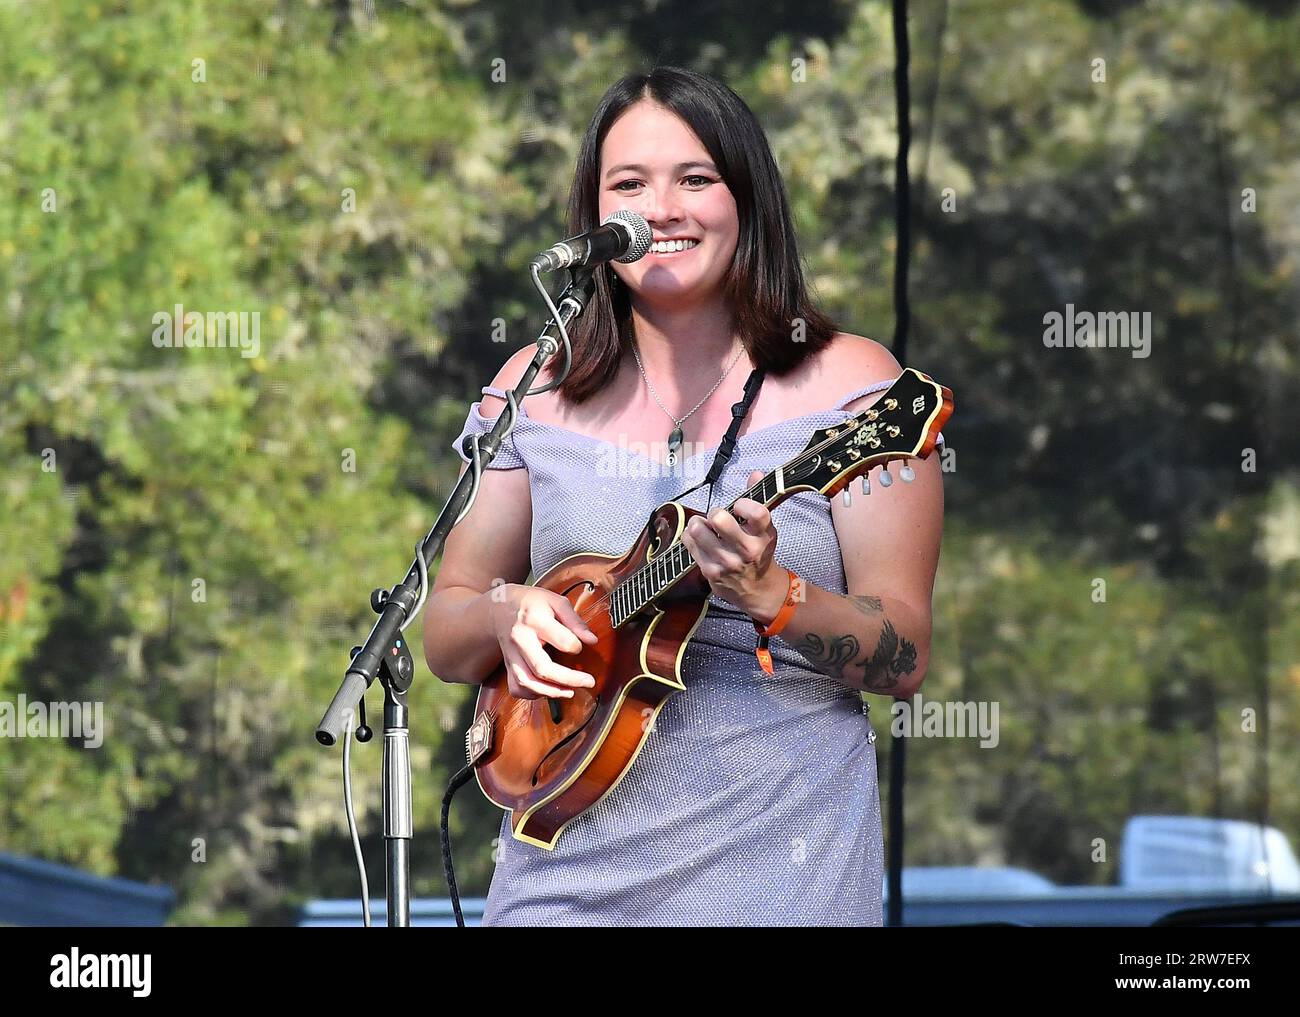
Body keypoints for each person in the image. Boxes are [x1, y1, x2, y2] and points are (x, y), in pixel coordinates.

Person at [424, 66, 944, 926]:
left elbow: (906, 657)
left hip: (782, 878)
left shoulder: (857, 386)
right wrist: (504, 615)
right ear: (596, 216)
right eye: (629, 184)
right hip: (560, 881)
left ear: (747, 199)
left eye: (695, 179)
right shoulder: (532, 387)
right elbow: (446, 627)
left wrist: (772, 595)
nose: (660, 209)